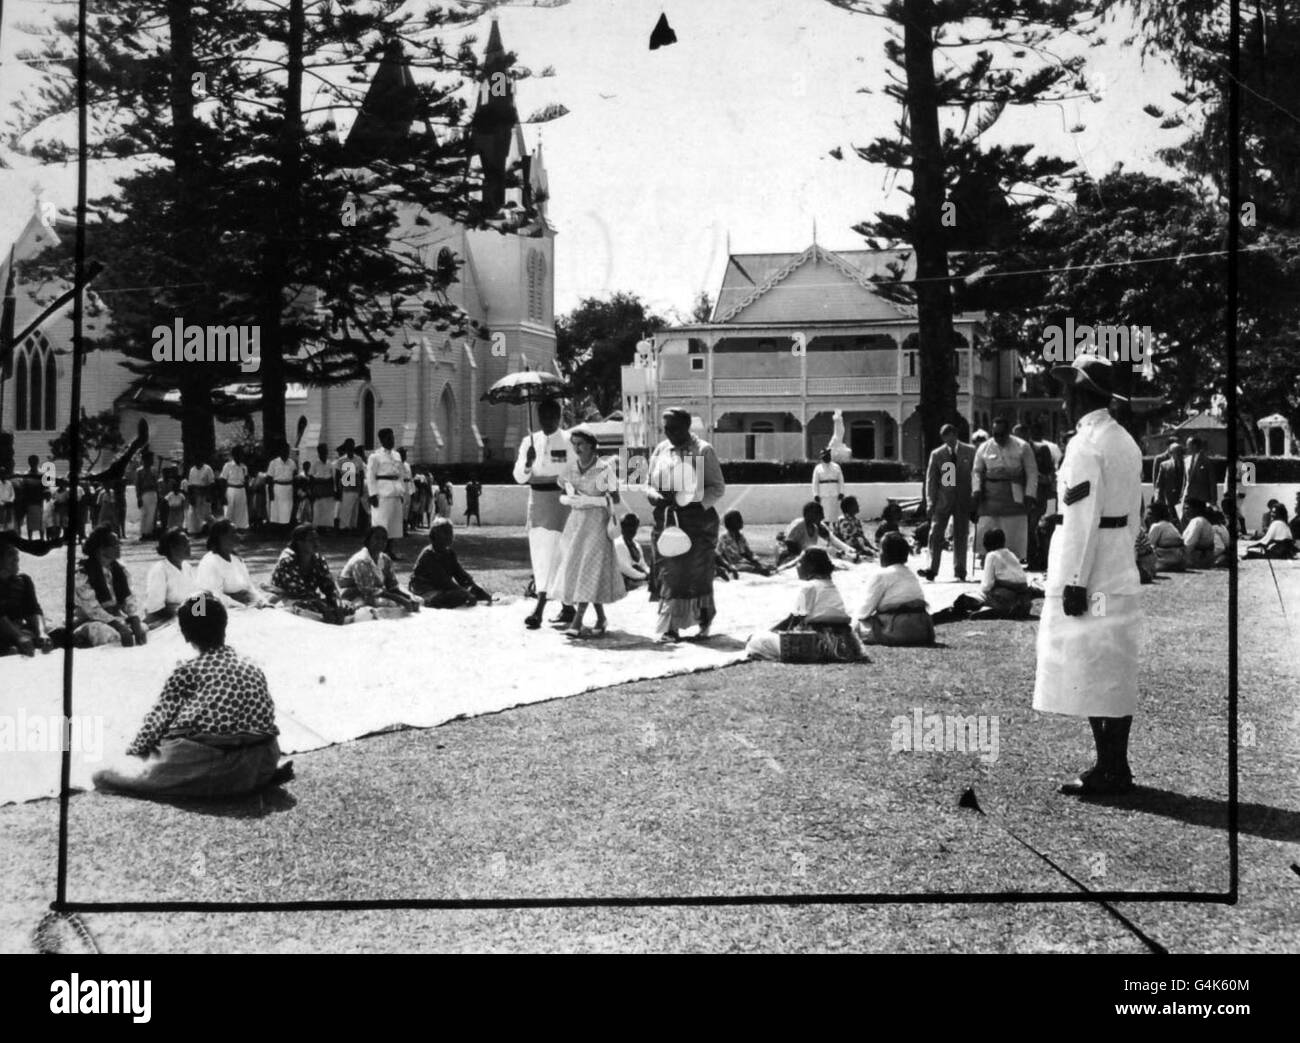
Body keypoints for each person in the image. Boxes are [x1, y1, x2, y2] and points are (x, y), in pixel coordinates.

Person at [1033, 352, 1144, 797]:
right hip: (1118, 561)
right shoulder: (1125, 442)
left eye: (1066, 391)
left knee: (1090, 665)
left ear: (1080, 395)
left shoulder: (1085, 446)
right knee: (1113, 666)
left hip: (1092, 566)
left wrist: (1075, 581)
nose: (1062, 401)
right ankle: (1115, 763)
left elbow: (1081, 519)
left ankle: (1110, 767)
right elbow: (1132, 513)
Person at [92, 593, 291, 800]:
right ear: (224, 626)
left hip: (209, 760)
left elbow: (156, 724)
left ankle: (213, 783)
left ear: (186, 635)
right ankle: (258, 777)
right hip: (262, 756)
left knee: (104, 774)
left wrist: (134, 753)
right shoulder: (251, 664)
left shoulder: (187, 671)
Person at [644, 407, 727, 642]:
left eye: (674, 428)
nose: (669, 433)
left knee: (696, 575)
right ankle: (670, 626)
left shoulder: (702, 450)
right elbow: (648, 483)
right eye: (666, 428)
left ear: (687, 427)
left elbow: (717, 487)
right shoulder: (661, 450)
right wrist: (654, 496)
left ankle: (703, 618)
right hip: (666, 519)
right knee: (669, 573)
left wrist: (691, 501)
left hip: (696, 523)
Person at [550, 425, 627, 638]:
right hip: (576, 524)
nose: (577, 448)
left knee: (588, 569)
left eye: (581, 444)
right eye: (574, 444)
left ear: (592, 445)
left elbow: (615, 499)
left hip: (597, 524)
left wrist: (591, 500)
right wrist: (569, 498)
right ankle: (601, 618)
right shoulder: (570, 468)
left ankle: (577, 620)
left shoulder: (604, 469)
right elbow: (563, 492)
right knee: (580, 570)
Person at [514, 398, 573, 629]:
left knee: (562, 554)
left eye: (552, 417)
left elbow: (572, 470)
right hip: (537, 504)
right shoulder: (529, 442)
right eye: (543, 417)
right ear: (538, 418)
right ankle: (546, 604)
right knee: (541, 555)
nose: (548, 421)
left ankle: (558, 606)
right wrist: (528, 463)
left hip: (561, 504)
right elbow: (519, 477)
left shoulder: (568, 441)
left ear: (559, 417)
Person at [746, 548, 863, 662]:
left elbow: (793, 620)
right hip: (845, 645)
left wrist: (769, 632)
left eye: (800, 562)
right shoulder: (831, 585)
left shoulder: (809, 587)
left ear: (811, 566)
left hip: (818, 644)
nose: (797, 566)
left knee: (757, 641)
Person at [934, 529, 1039, 623]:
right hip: (1024, 599)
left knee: (963, 600)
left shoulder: (992, 556)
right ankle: (1002, 609)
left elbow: (987, 586)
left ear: (987, 544)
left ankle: (994, 609)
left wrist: (976, 593)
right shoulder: (1011, 554)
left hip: (1003, 597)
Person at [972, 415, 1038, 564]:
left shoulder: (1022, 446)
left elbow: (1032, 472)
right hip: (987, 496)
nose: (998, 438)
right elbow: (976, 471)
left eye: (1002, 434)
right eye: (995, 434)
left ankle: (1012, 561)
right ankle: (985, 560)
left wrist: (1030, 495)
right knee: (985, 530)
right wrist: (975, 492)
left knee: (1012, 531)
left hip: (1013, 495)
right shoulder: (983, 448)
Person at [70, 524, 148, 648]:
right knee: (113, 636)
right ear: (101, 549)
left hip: (114, 618)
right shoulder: (83, 574)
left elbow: (129, 598)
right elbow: (93, 610)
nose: (119, 547)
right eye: (115, 545)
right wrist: (119, 626)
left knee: (143, 630)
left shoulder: (119, 569)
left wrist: (134, 619)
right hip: (90, 621)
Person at [855, 532, 933, 646]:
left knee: (857, 626)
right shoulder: (909, 573)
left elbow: (863, 612)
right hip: (923, 630)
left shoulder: (881, 575)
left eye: (880, 550)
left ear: (886, 554)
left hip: (896, 630)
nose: (879, 554)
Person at [268, 524, 352, 623]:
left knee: (344, 608)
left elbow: (329, 586)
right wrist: (323, 607)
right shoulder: (287, 562)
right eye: (311, 541)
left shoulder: (318, 560)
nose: (316, 544)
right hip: (290, 598)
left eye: (317, 540)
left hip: (311, 599)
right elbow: (298, 592)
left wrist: (337, 604)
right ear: (300, 542)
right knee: (310, 611)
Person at [921, 424, 974, 581]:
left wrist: (975, 498)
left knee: (960, 534)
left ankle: (960, 569)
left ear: (956, 435)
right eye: (945, 437)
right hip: (943, 500)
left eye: (950, 436)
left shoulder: (970, 451)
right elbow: (931, 480)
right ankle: (932, 568)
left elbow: (976, 474)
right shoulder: (938, 454)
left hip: (963, 499)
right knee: (936, 533)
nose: (948, 440)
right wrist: (930, 502)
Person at [339, 524, 421, 618]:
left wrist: (408, 597)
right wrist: (401, 600)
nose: (381, 542)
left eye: (384, 539)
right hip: (354, 595)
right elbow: (369, 591)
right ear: (368, 541)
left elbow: (392, 586)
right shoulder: (361, 561)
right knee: (376, 608)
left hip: (374, 593)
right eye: (377, 538)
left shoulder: (385, 559)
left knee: (416, 600)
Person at [409, 518, 492, 607]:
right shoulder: (428, 555)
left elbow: (461, 576)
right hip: (424, 591)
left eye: (450, 533)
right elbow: (443, 581)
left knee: (473, 590)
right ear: (435, 535)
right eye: (446, 533)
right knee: (460, 595)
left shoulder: (449, 553)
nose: (450, 536)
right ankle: (427, 602)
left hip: (441, 588)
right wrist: (466, 594)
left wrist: (478, 591)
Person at [195, 518, 271, 607]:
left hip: (245, 605)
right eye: (233, 533)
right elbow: (215, 596)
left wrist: (262, 602)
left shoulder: (236, 559)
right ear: (221, 537)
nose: (238, 536)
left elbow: (249, 587)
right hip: (221, 609)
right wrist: (242, 606)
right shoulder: (210, 562)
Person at [0, 539, 52, 656]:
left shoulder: (23, 581)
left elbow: (33, 610)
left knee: (60, 636)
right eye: (10, 554)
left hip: (20, 631)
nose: (16, 558)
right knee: (11, 650)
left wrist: (42, 633)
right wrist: (19, 636)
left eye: (16, 554)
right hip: (6, 634)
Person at [775, 501, 857, 571]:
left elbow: (831, 539)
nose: (823, 517)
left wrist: (849, 550)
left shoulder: (815, 527)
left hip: (800, 558)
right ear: (810, 514)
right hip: (788, 557)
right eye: (820, 513)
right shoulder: (799, 524)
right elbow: (789, 548)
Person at [143, 528, 199, 628]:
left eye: (189, 543)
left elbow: (197, 597)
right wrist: (185, 612)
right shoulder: (160, 570)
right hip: (165, 622)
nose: (189, 547)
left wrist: (199, 615)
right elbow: (155, 608)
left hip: (187, 618)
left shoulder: (187, 567)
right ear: (172, 547)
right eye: (184, 544)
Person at [365, 428, 406, 541]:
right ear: (381, 440)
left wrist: (402, 492)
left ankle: (390, 549)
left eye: (392, 438)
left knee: (394, 524)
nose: (391, 441)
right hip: (382, 493)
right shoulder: (375, 456)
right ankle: (381, 550)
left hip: (396, 492)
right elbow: (370, 476)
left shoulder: (397, 455)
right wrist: (372, 494)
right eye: (388, 438)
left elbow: (400, 475)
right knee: (382, 523)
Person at [718, 509, 774, 576]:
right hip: (732, 565)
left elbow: (747, 553)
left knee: (767, 567)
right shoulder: (724, 538)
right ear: (730, 523)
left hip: (743, 562)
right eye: (738, 520)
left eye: (740, 519)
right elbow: (721, 556)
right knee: (757, 570)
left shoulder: (741, 537)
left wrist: (759, 562)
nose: (741, 521)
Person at [1181, 436, 1216, 520]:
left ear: (1194, 446)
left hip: (1201, 498)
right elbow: (1185, 480)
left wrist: (1213, 499)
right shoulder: (1186, 460)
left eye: (1188, 445)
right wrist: (1182, 494)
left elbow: (1212, 481)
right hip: (1188, 496)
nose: (1186, 447)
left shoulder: (1206, 461)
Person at [334, 439, 365, 534]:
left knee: (355, 510)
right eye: (348, 446)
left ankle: (353, 527)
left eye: (352, 445)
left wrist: (361, 488)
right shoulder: (341, 460)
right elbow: (337, 476)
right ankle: (344, 528)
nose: (350, 447)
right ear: (346, 447)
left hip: (356, 486)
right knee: (346, 509)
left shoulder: (358, 459)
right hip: (346, 487)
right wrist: (337, 489)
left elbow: (361, 474)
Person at [1153, 441, 1186, 529]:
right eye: (1176, 452)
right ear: (1171, 453)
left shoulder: (1187, 464)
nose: (1179, 455)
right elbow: (1159, 484)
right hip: (1169, 499)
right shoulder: (1164, 465)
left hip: (1183, 499)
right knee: (1171, 522)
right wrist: (1157, 497)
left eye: (1180, 452)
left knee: (1183, 522)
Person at [265, 442, 297, 530]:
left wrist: (295, 491)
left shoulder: (292, 463)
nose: (286, 453)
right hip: (277, 489)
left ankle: (286, 529)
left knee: (287, 510)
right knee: (277, 511)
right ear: (280, 451)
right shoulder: (274, 463)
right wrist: (271, 493)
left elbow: (294, 477)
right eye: (284, 451)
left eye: (287, 451)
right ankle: (276, 530)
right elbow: (269, 479)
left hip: (288, 489)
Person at [1146, 502, 1186, 572]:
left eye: (1150, 514)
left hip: (1166, 561)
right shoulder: (1170, 525)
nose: (1147, 517)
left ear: (1157, 514)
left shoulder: (1156, 526)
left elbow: (1149, 546)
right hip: (1179, 561)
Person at [833, 496, 876, 560]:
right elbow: (849, 542)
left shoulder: (855, 520)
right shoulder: (844, 521)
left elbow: (862, 536)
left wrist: (872, 548)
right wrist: (864, 551)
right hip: (846, 550)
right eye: (856, 504)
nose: (858, 506)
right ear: (849, 507)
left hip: (857, 548)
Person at [614, 512, 650, 588]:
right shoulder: (619, 544)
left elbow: (643, 564)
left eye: (634, 527)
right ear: (622, 528)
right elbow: (626, 569)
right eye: (628, 527)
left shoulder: (636, 545)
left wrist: (649, 573)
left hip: (637, 577)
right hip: (624, 580)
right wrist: (644, 576)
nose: (632, 530)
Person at [811, 448, 846, 525]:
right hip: (824, 494)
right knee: (825, 514)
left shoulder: (836, 466)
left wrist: (841, 492)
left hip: (835, 493)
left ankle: (835, 530)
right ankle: (826, 529)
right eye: (824, 456)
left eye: (828, 455)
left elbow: (841, 480)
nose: (826, 457)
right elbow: (815, 482)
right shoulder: (818, 468)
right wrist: (815, 494)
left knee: (835, 514)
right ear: (821, 457)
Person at [307, 443, 337, 532]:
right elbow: (311, 478)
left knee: (328, 509)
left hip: (328, 488)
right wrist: (311, 492)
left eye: (325, 450)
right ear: (319, 452)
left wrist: (334, 490)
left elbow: (333, 478)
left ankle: (326, 528)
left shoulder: (330, 464)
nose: (324, 452)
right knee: (318, 508)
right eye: (322, 450)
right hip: (318, 488)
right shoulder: (315, 464)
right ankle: (319, 528)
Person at [219, 447, 250, 532]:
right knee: (229, 510)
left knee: (241, 510)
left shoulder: (244, 467)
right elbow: (222, 480)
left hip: (241, 490)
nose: (240, 457)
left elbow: (246, 481)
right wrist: (222, 495)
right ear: (234, 455)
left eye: (241, 455)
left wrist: (247, 493)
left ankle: (240, 529)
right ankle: (228, 529)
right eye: (238, 454)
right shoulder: (228, 466)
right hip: (231, 489)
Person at [1181, 499, 1216, 568]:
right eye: (1184, 509)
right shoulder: (1203, 521)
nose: (1185, 511)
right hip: (1205, 559)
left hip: (1196, 559)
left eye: (1187, 508)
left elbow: (1189, 544)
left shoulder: (1197, 522)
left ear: (1196, 509)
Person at [134, 450, 160, 541]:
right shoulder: (139, 471)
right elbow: (138, 485)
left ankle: (149, 532)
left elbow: (156, 483)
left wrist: (158, 494)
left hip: (153, 493)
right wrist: (138, 497)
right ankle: (143, 532)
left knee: (152, 514)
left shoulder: (153, 470)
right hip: (144, 493)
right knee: (144, 514)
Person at [186, 456, 216, 535]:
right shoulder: (192, 470)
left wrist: (209, 495)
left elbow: (212, 483)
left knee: (206, 514)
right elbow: (190, 485)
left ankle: (214, 529)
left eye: (198, 460)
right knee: (194, 514)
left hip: (204, 493)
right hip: (195, 494)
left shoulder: (207, 469)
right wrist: (190, 497)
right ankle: (196, 531)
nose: (196, 462)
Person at [19, 456, 47, 539]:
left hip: (40, 502)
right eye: (31, 462)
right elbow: (23, 489)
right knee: (30, 523)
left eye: (34, 462)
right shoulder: (26, 475)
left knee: (41, 522)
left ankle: (42, 539)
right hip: (29, 503)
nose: (33, 464)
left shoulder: (43, 475)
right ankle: (30, 540)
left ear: (37, 462)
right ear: (29, 463)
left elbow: (46, 488)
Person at [0, 467, 14, 532]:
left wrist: (10, 501)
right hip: (1, 505)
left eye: (4, 473)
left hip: (8, 505)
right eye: (1, 473)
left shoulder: (9, 483)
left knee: (8, 523)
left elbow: (13, 494)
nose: (3, 475)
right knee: (1, 523)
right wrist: (2, 503)